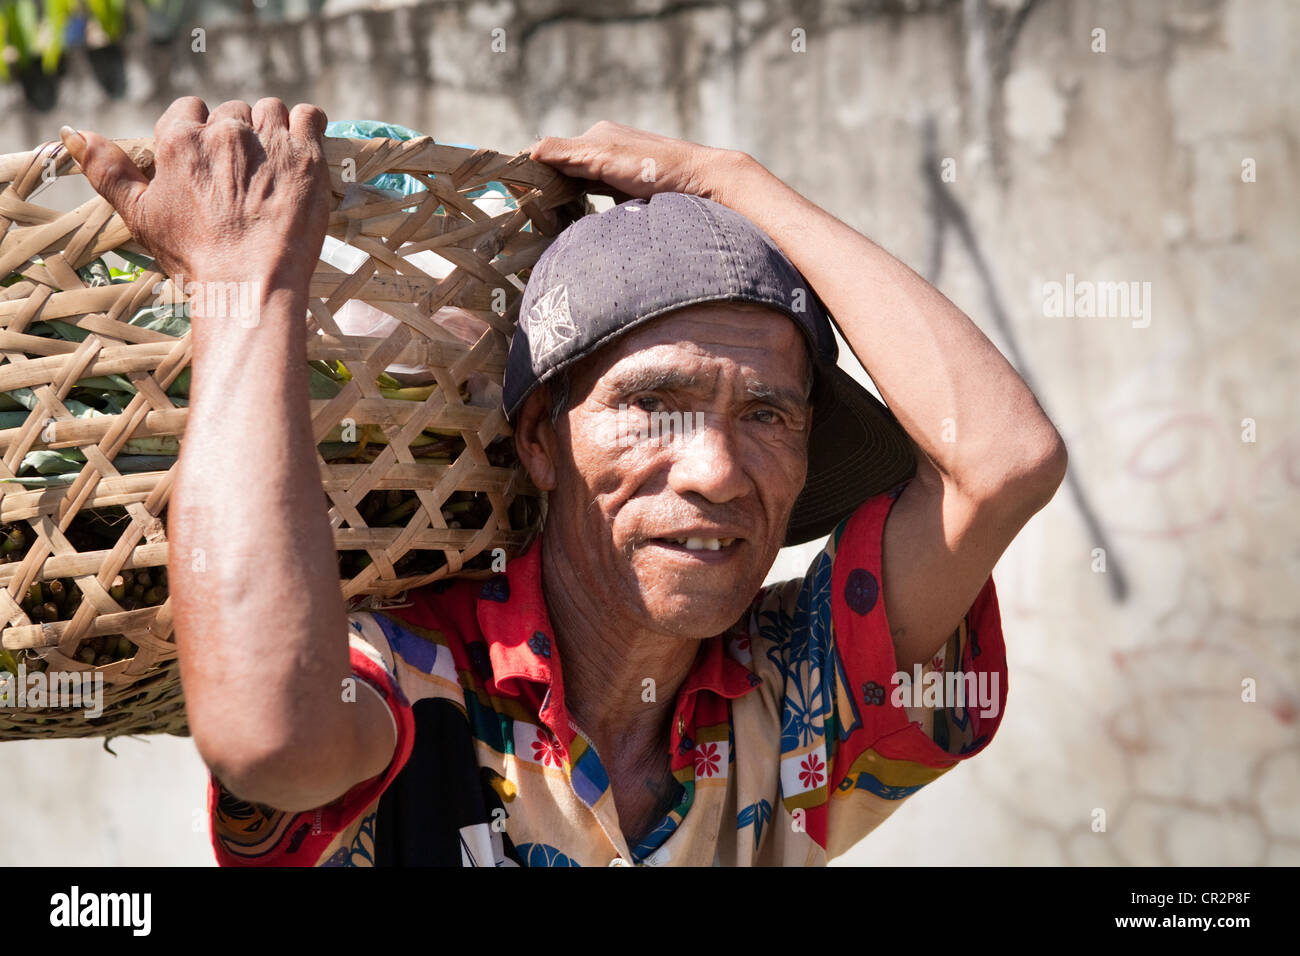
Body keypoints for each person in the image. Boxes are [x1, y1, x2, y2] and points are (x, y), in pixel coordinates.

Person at [60, 98, 1066, 867]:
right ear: (541, 438)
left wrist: (734, 182)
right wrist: (245, 289)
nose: (716, 470)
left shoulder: (785, 696)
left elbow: (1004, 459)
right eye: (652, 404)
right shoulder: (418, 678)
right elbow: (267, 740)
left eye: (767, 414)